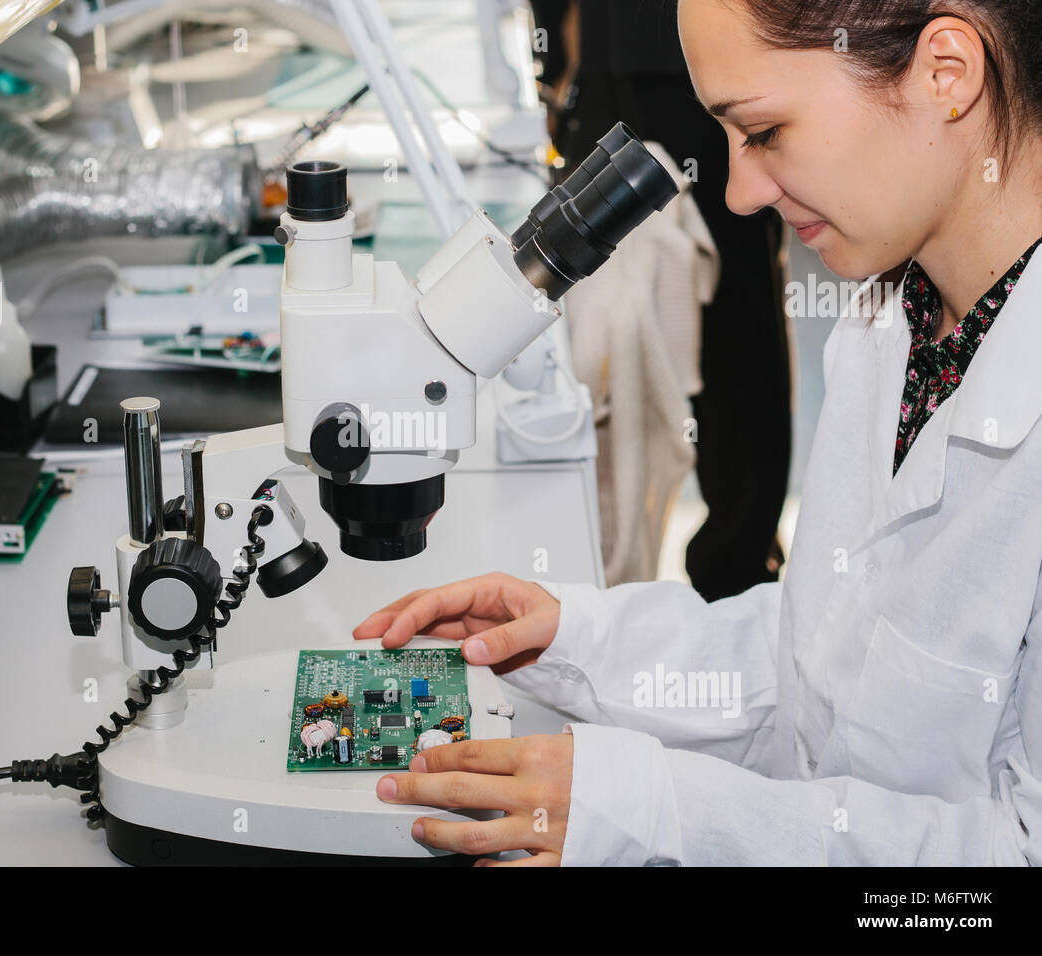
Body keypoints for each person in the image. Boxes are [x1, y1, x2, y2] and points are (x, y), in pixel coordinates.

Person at [353, 0, 1042, 865]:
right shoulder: (895, 320)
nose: (739, 192)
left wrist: (667, 814)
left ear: (946, 74)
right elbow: (826, 656)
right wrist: (578, 641)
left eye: (764, 132)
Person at [546, 0, 793, 600]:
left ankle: (738, 564)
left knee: (735, 316)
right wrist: (559, 66)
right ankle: (605, 565)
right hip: (608, 61)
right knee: (597, 310)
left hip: (705, 52)